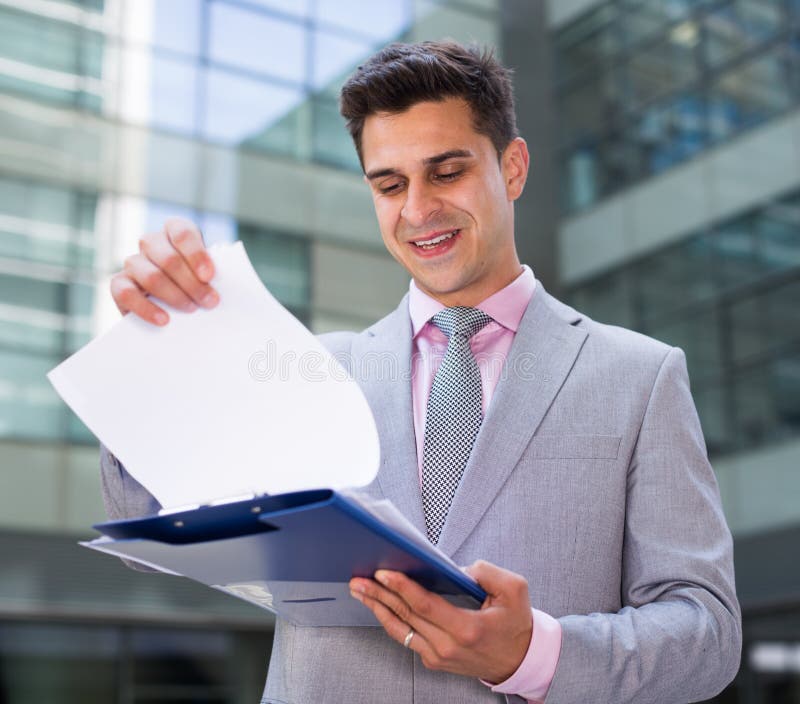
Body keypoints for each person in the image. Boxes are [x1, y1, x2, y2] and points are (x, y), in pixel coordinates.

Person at [101, 41, 741, 703]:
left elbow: (706, 633)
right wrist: (157, 355)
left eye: (447, 171)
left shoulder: (641, 377)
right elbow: (148, 520)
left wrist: (533, 652)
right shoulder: (304, 370)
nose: (418, 209)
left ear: (513, 167)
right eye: (389, 184)